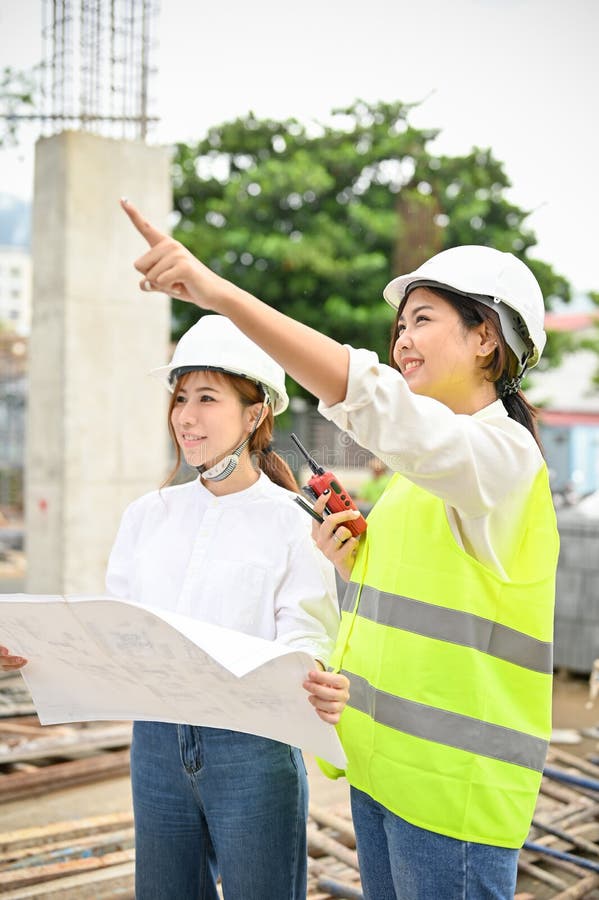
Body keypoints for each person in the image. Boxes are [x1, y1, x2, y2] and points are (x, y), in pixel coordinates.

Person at [120, 197, 559, 900]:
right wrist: (354, 567)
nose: (401, 340)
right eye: (398, 325)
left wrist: (221, 295)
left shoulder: (501, 457)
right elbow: (414, 612)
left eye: (421, 319)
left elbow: (372, 400)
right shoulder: (419, 484)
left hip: (454, 796)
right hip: (384, 774)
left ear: (486, 338)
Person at [1, 313, 348, 900]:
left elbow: (306, 636)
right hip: (157, 746)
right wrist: (34, 654)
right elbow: (117, 636)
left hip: (253, 747)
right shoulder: (148, 516)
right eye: (180, 397)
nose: (185, 416)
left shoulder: (294, 520)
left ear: (256, 410)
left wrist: (310, 674)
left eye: (207, 398)